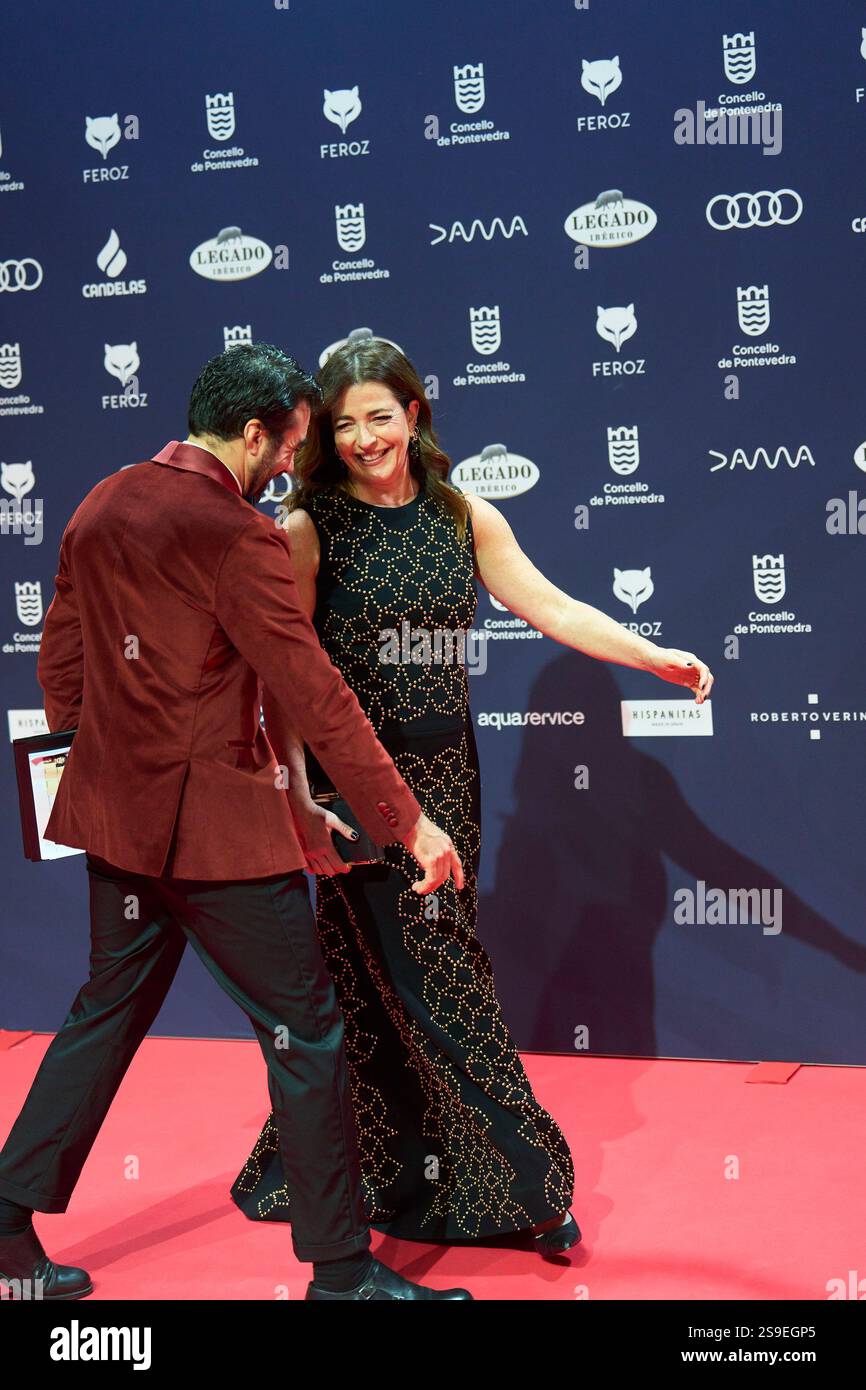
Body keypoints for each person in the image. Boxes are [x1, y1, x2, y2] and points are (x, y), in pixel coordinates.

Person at [0, 343, 473, 1303]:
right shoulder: (236, 533)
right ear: (253, 434)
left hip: (118, 828)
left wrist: (100, 766)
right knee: (307, 1035)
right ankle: (341, 1274)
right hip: (218, 841)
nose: (292, 469)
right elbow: (316, 692)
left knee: (104, 1016)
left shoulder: (100, 501)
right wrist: (408, 820)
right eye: (291, 448)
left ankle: (7, 1224)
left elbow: (61, 664)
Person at [231, 337, 714, 1256]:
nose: (366, 437)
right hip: (356, 785)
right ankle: (529, 1184)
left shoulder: (463, 515)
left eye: (381, 415)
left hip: (451, 774)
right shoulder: (308, 528)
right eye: (345, 424)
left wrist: (650, 654)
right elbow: (283, 680)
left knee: (378, 987)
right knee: (441, 981)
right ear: (328, 437)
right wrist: (297, 797)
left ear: (415, 413)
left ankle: (366, 1173)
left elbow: (555, 607)